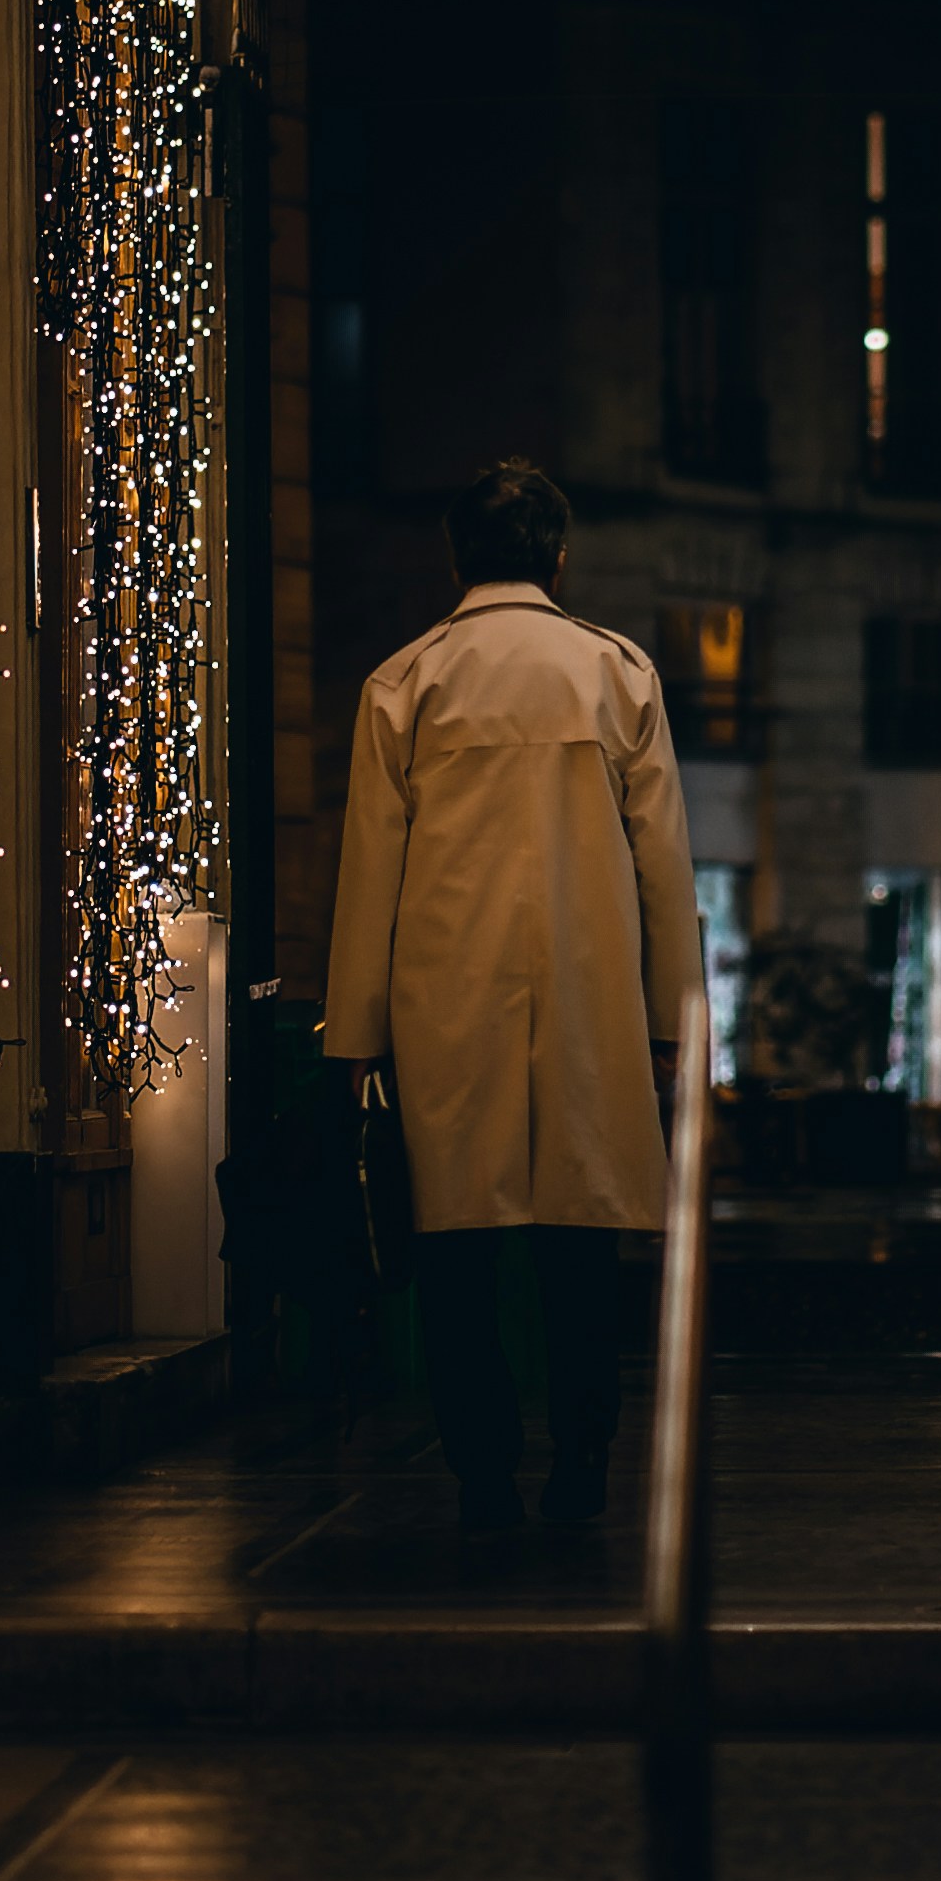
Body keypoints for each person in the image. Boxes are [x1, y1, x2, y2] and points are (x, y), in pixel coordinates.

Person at [324, 459, 699, 1535]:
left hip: (445, 1004)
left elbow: (369, 871)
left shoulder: (405, 682)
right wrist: (671, 1021)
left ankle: (482, 1481)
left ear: (454, 557)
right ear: (558, 558)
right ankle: (583, 1466)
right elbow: (662, 867)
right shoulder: (617, 674)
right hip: (591, 1003)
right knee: (581, 1254)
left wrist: (354, 1038)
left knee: (456, 1258)